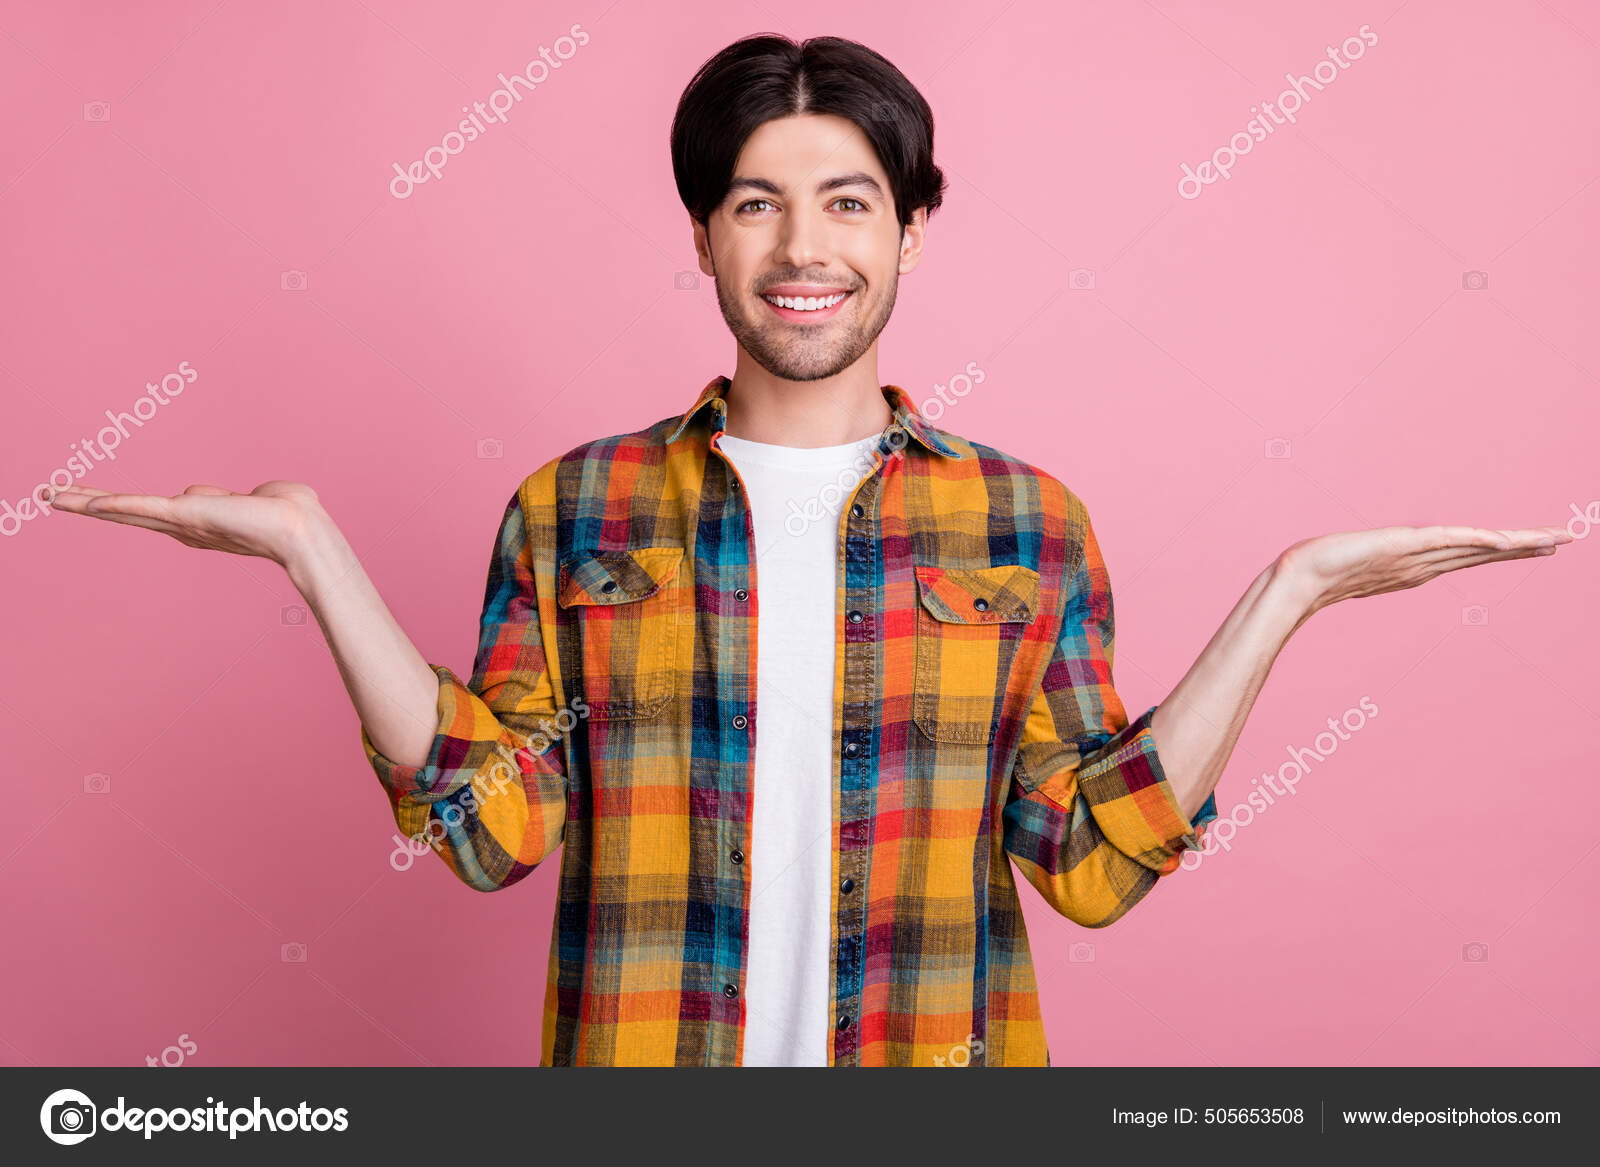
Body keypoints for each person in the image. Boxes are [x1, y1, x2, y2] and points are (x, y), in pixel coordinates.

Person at [45, 34, 1573, 1067]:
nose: (802, 250)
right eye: (754, 205)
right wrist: (315, 551)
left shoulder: (1023, 524)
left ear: (912, 229)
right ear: (703, 236)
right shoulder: (575, 511)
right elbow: (491, 833)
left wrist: (1291, 592)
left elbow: (1090, 868)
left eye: (848, 202)